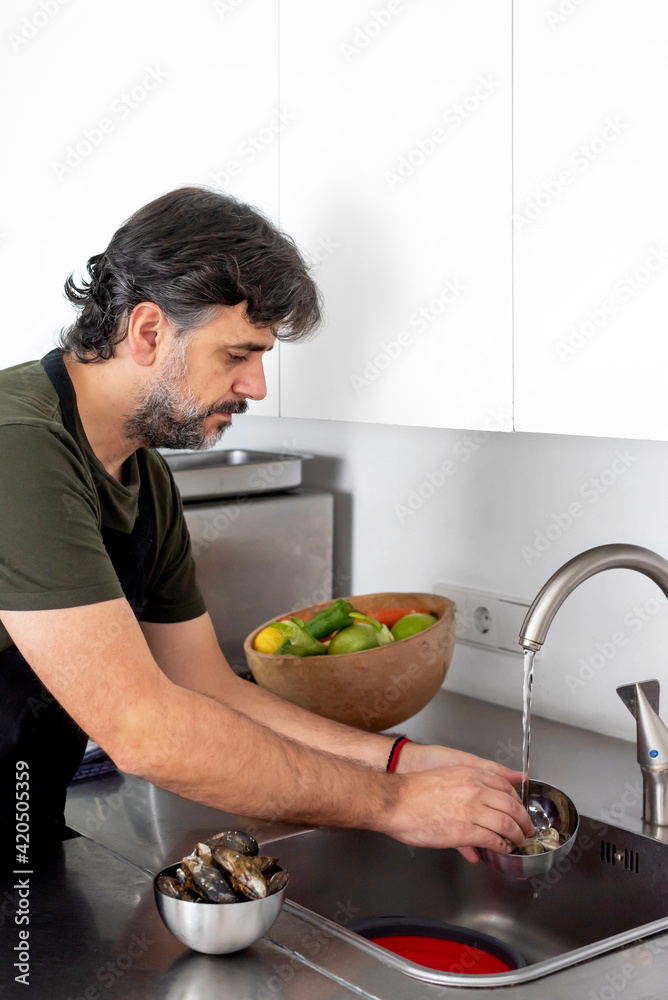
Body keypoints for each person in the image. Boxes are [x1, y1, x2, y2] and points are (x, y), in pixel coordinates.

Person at [0, 186, 533, 858]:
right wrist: (393, 805)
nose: (256, 387)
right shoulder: (18, 447)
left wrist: (399, 762)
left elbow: (206, 685)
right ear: (148, 331)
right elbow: (142, 728)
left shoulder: (145, 477)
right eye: (237, 354)